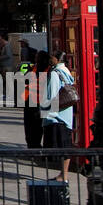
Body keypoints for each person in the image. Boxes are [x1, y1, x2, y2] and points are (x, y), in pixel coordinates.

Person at [42, 51, 76, 181]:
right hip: (66, 114)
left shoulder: (55, 74)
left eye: (52, 57)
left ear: (57, 59)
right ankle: (64, 174)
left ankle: (64, 175)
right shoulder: (66, 72)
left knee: (62, 147)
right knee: (65, 146)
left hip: (57, 116)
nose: (50, 59)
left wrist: (45, 113)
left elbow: (51, 95)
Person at [23, 48, 49, 150]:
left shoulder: (34, 68)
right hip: (39, 101)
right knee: (38, 126)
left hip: (32, 101)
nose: (35, 58)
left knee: (30, 126)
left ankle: (32, 145)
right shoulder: (47, 69)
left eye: (37, 57)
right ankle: (35, 145)